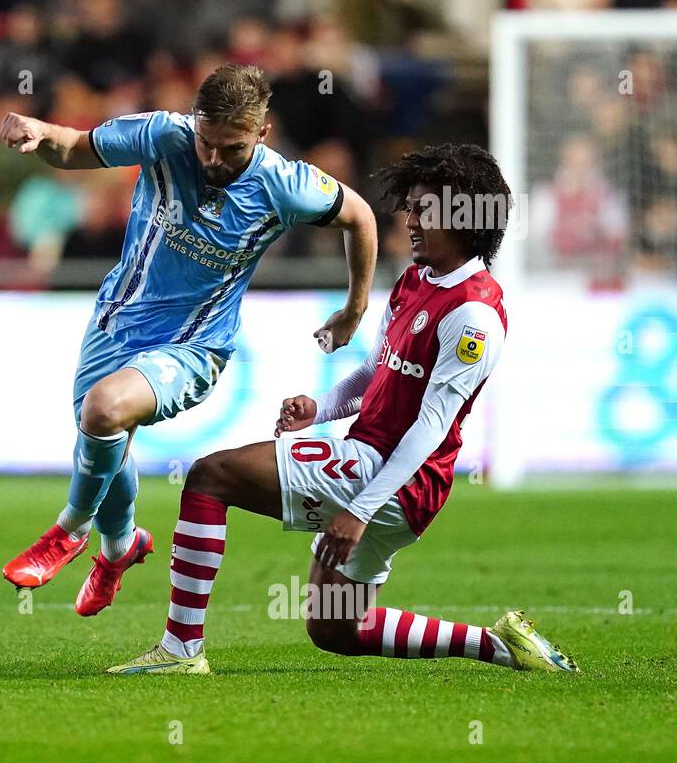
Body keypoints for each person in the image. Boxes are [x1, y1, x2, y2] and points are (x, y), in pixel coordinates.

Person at [107, 144, 578, 676]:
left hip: (397, 477)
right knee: (335, 627)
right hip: (376, 463)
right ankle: (499, 646)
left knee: (211, 477)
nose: (411, 220)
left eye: (426, 210)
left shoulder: (473, 316)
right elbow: (379, 371)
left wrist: (360, 509)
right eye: (411, 207)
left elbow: (430, 427)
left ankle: (180, 651)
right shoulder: (415, 281)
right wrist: (322, 408)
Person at [0, 64, 378, 617]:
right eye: (206, 143)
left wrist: (355, 307)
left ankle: (69, 531)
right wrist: (39, 133)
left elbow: (360, 217)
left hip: (195, 346)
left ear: (262, 133)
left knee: (105, 411)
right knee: (105, 440)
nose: (213, 159)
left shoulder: (285, 184)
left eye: (232, 148)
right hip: (114, 321)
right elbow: (74, 147)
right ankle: (120, 547)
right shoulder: (164, 135)